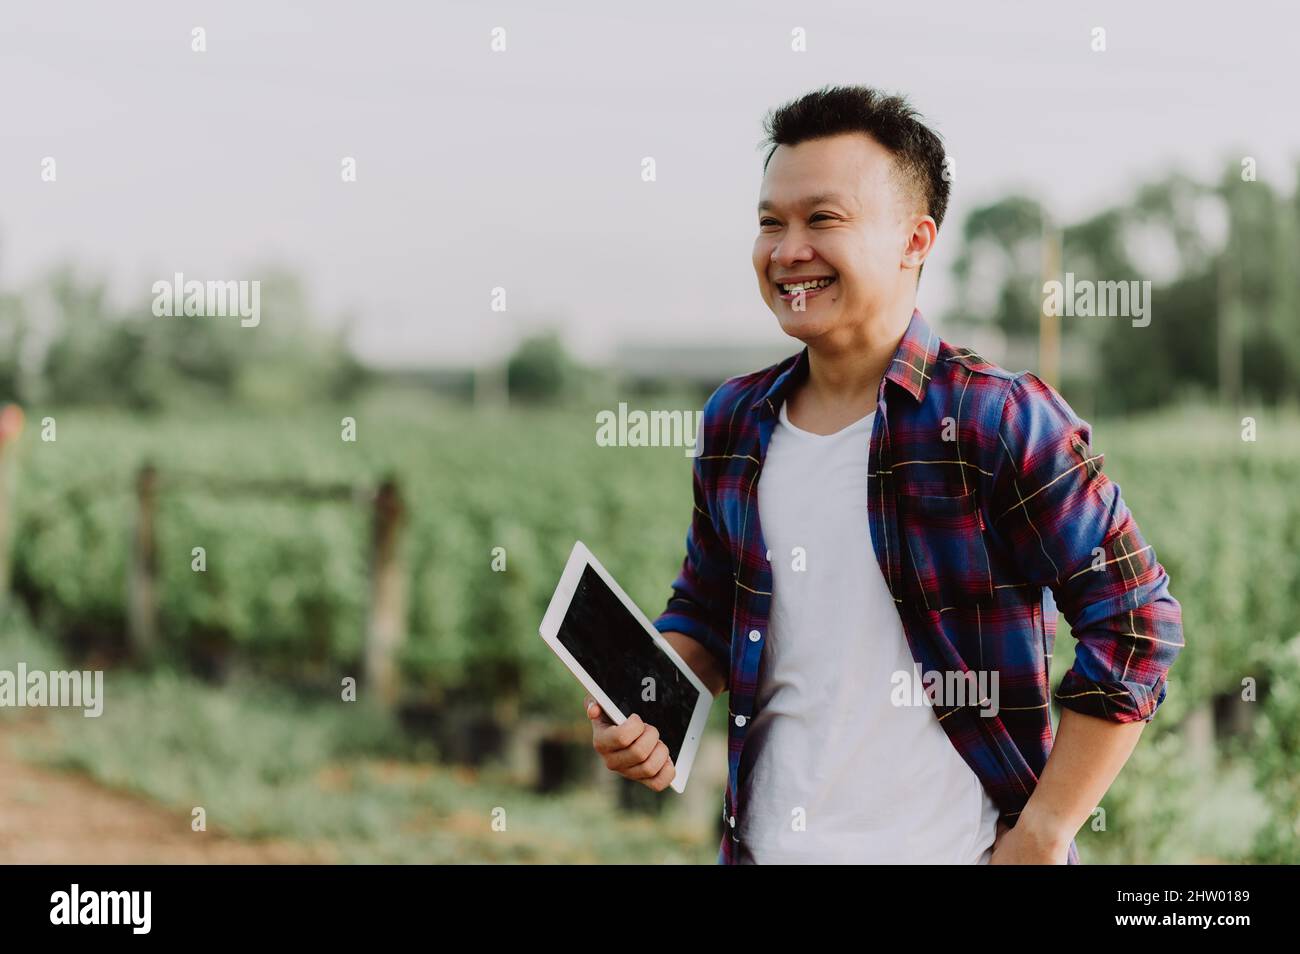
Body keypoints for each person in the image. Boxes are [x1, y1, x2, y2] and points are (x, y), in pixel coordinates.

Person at [586, 85, 1183, 865]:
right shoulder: (736, 420)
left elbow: (1136, 620)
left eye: (822, 220)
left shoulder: (995, 419)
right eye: (771, 222)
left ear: (915, 239)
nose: (787, 249)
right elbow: (705, 608)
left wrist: (1044, 832)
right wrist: (642, 696)